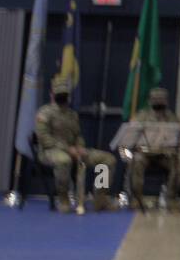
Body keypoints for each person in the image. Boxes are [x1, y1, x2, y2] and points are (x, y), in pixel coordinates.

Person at [35, 76, 118, 213]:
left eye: (64, 94)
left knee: (107, 160)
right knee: (64, 160)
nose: (62, 97)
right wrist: (68, 149)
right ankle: (64, 199)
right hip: (51, 151)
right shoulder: (44, 113)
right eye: (59, 94)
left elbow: (78, 135)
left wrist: (80, 147)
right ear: (52, 94)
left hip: (75, 150)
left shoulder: (72, 114)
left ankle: (100, 197)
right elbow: (44, 139)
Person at [128, 87, 180, 211]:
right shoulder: (142, 116)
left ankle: (170, 197)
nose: (158, 102)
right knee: (137, 160)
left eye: (161, 99)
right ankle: (137, 198)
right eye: (155, 99)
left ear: (166, 101)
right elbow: (131, 138)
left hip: (164, 155)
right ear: (150, 101)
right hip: (145, 154)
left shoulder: (172, 118)